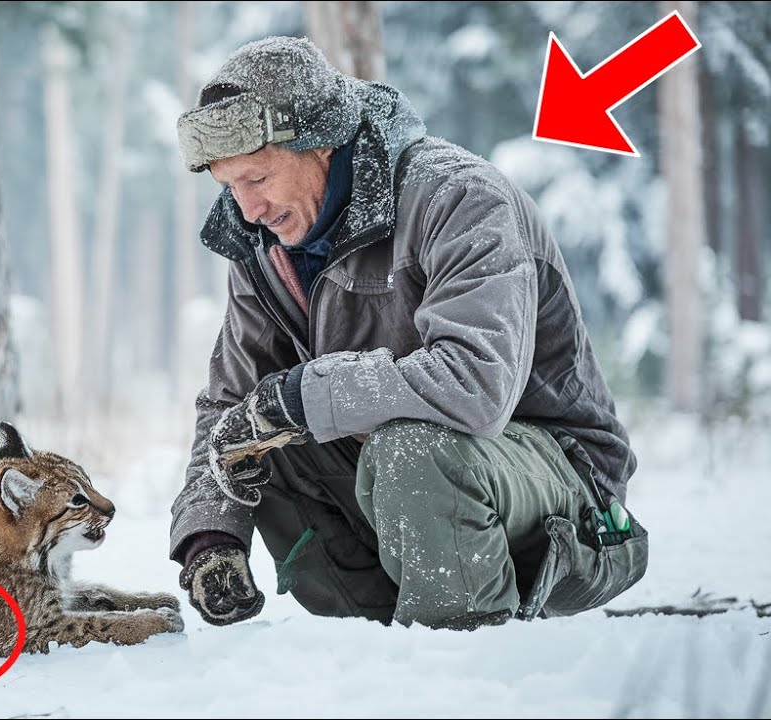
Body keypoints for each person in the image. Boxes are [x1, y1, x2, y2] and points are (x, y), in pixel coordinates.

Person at [169, 36, 648, 631]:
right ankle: (373, 661)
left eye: (258, 177)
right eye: (228, 185)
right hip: (409, 490)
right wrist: (210, 536)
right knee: (257, 440)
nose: (247, 209)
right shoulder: (262, 246)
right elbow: (228, 405)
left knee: (409, 450)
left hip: (561, 487)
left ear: (319, 141)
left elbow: (476, 385)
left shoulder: (458, 198)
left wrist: (307, 396)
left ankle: (459, 663)